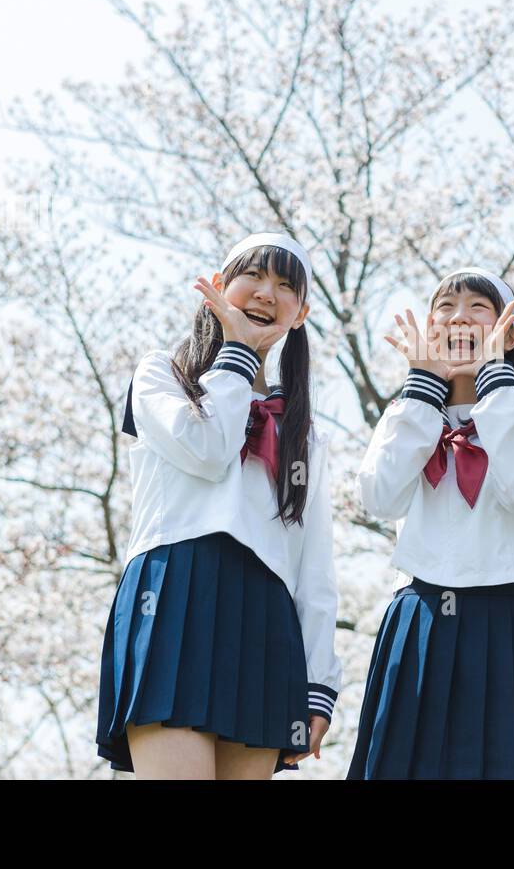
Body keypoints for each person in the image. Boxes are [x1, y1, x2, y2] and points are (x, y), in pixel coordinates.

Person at [96, 232, 341, 779]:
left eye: (284, 286)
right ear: (219, 287)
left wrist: (320, 682)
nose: (265, 293)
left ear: (299, 314)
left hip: (263, 615)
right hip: (172, 595)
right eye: (252, 276)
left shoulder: (302, 431)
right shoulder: (161, 377)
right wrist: (236, 354)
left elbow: (313, 564)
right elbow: (205, 449)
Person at [348, 267, 514, 779]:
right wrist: (423, 394)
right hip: (422, 612)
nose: (459, 318)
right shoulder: (410, 410)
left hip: (509, 615)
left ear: (509, 332)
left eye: (478, 307)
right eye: (445, 308)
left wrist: (495, 388)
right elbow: (379, 496)